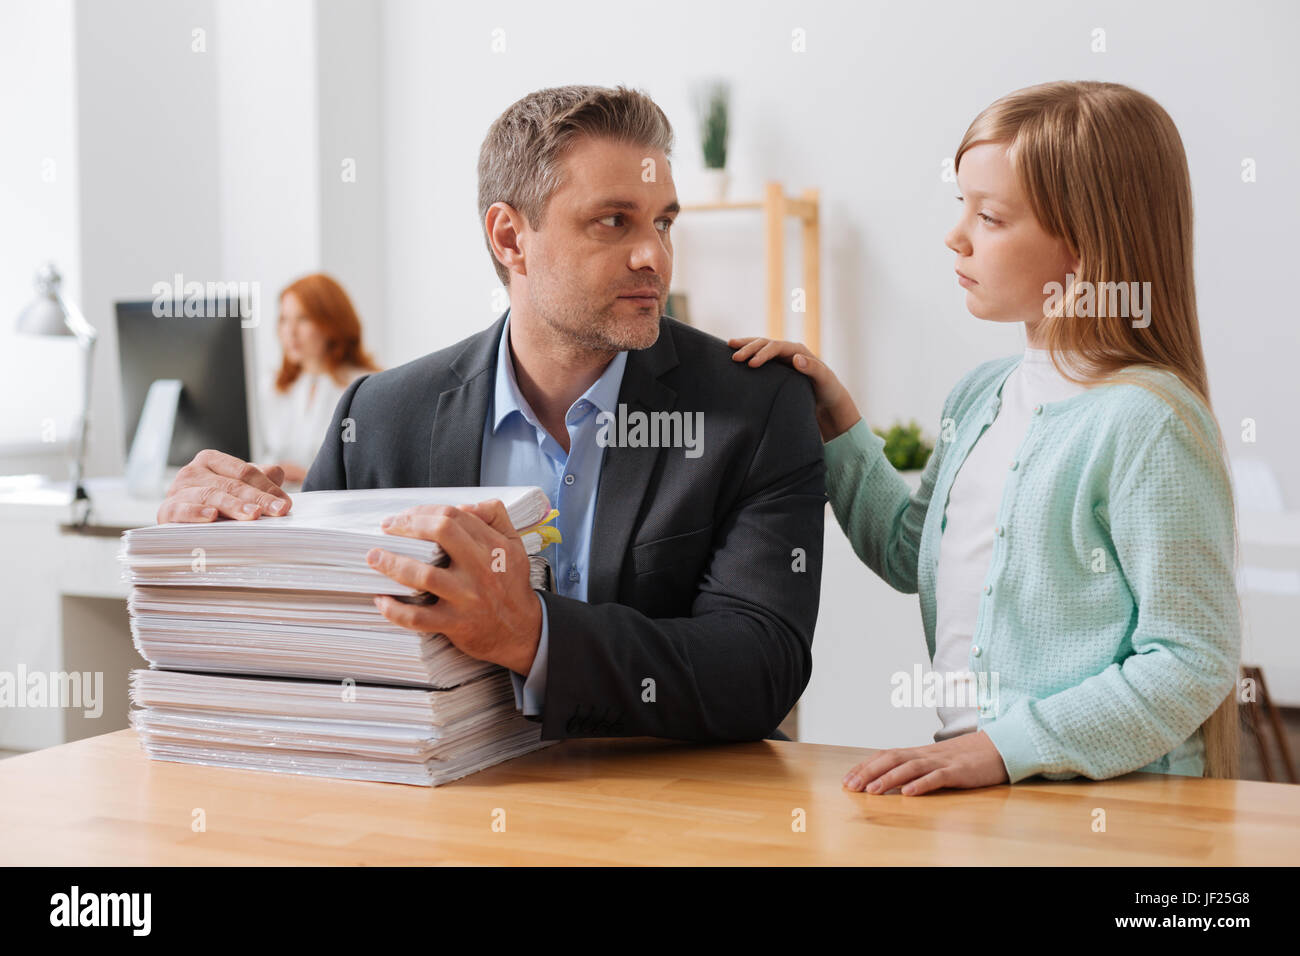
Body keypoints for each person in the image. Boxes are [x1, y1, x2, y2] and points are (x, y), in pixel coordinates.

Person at [156, 85, 825, 743]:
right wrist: (223, 555)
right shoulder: (381, 416)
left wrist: (533, 635)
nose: (654, 254)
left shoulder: (755, 406)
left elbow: (762, 667)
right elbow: (318, 655)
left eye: (664, 221)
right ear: (511, 237)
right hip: (438, 819)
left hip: (677, 822)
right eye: (614, 220)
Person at [731, 80, 1241, 794]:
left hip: (1122, 805)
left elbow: (1191, 659)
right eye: (960, 206)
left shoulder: (1147, 422)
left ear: (1085, 249)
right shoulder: (981, 397)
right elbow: (912, 555)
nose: (957, 234)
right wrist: (838, 421)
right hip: (998, 791)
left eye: (992, 217)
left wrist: (999, 749)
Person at [258, 273, 381, 486]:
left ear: (331, 324)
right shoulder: (273, 386)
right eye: (284, 320)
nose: (290, 332)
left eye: (303, 319)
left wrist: (309, 478)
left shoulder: (366, 387)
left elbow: (370, 473)